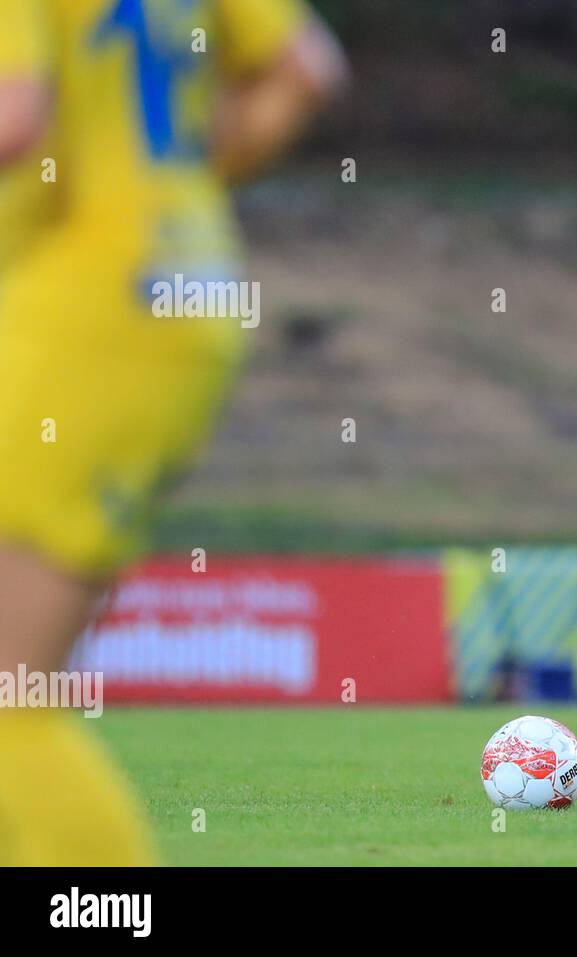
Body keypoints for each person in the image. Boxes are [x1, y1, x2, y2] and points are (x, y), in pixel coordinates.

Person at [0, 0, 347, 864]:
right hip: (183, 283)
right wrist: (171, 189)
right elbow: (308, 69)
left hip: (81, 308)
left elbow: (13, 116)